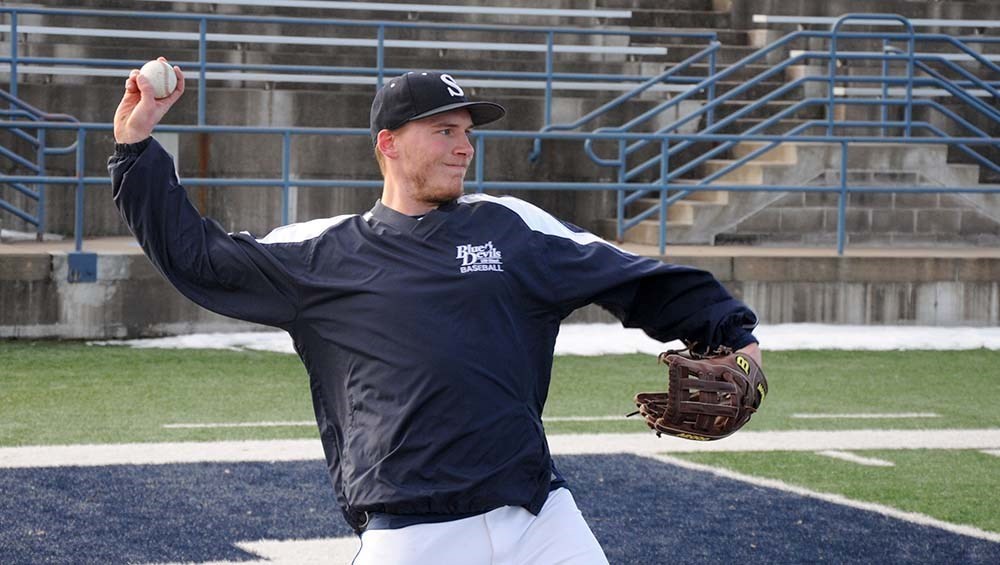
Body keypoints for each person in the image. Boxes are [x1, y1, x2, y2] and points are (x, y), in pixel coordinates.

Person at [111, 59, 762, 564]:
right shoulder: (321, 255)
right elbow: (198, 258)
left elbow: (639, 280)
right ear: (388, 144)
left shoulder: (511, 228)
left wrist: (735, 336)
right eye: (444, 131)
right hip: (411, 534)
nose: (464, 147)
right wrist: (136, 149)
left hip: (537, 517)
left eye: (468, 134)